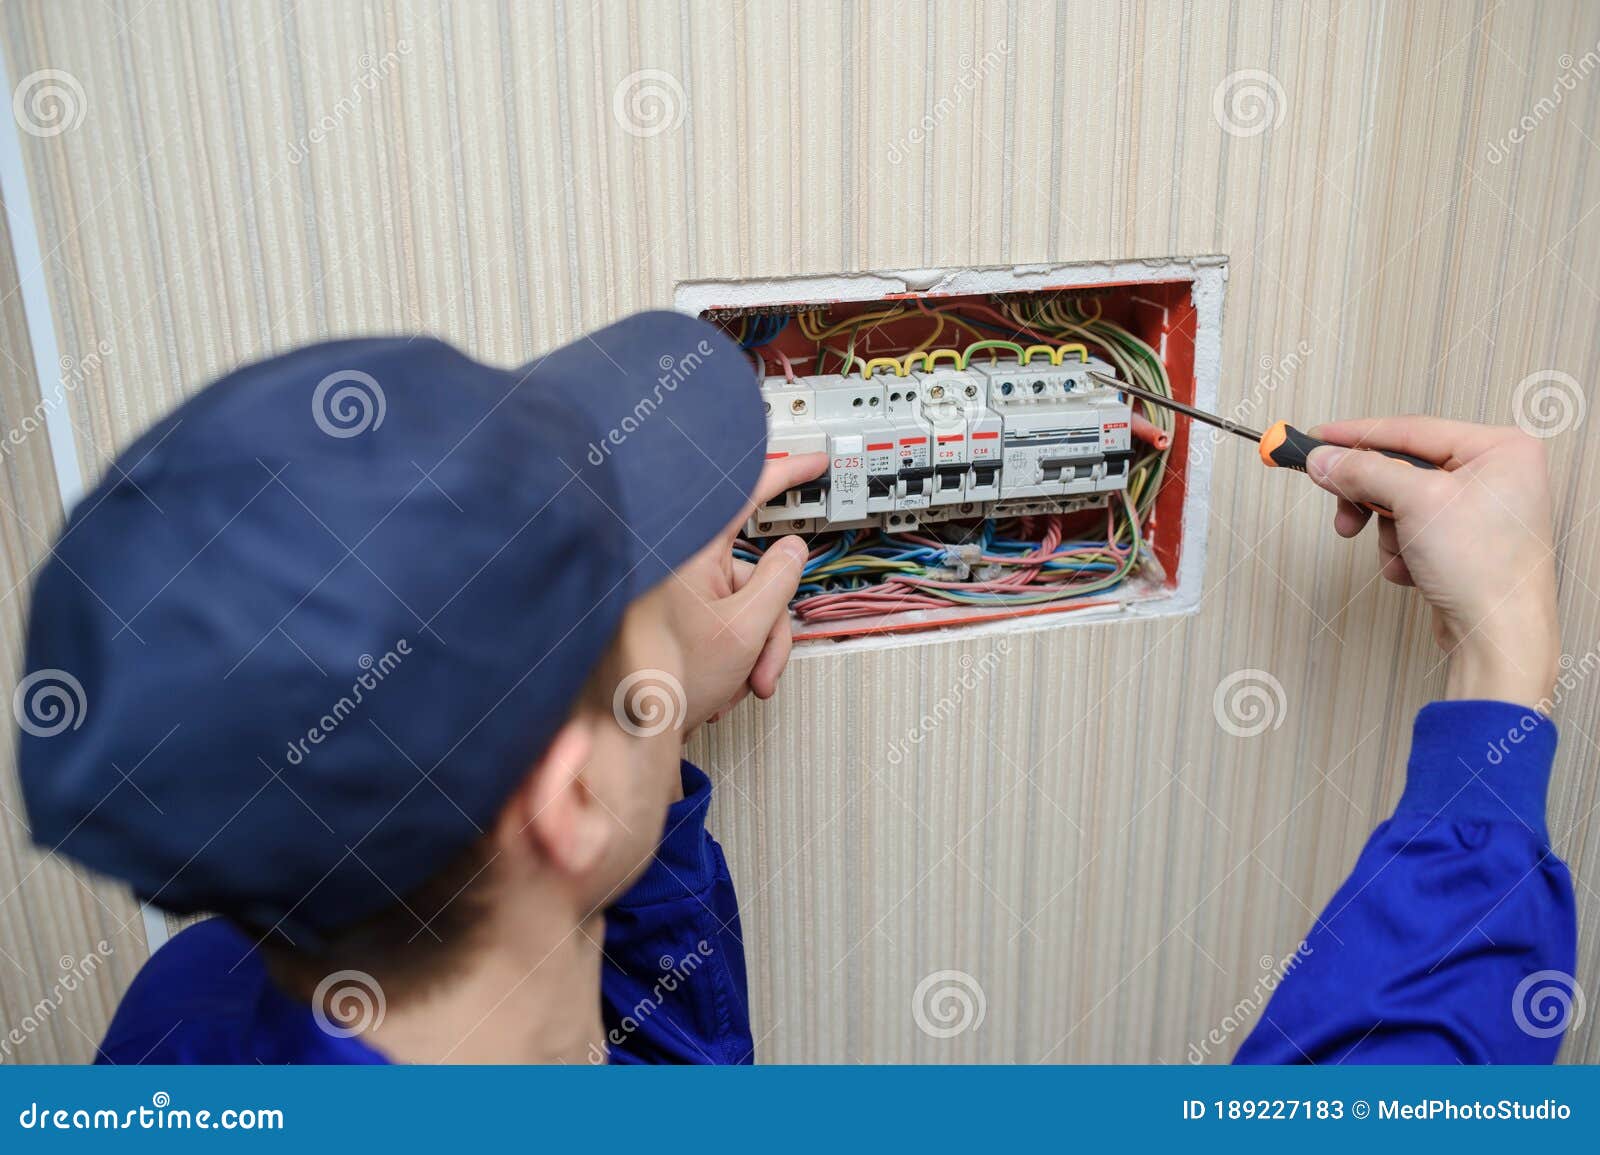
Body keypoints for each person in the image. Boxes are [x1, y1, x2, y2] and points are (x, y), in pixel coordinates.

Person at [16, 312, 1575, 1064]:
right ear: (560, 799)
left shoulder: (188, 1022)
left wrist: (631, 718)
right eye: (613, 581)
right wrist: (1504, 650)